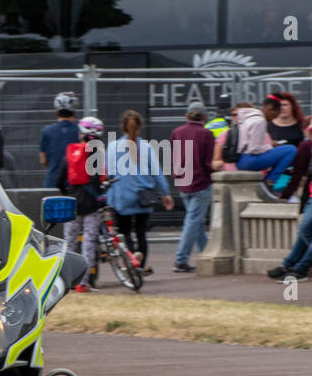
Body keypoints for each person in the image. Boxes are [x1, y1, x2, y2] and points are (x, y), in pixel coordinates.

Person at [267, 112, 312, 282]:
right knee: (306, 230)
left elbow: (300, 173)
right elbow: (308, 172)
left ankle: (301, 269)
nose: (311, 135)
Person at [105, 110, 174, 275]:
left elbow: (107, 174)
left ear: (122, 127)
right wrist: (165, 194)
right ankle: (141, 266)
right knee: (141, 233)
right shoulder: (147, 147)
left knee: (125, 231)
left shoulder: (113, 147)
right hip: (144, 197)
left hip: (122, 196)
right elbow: (157, 172)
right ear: (140, 127)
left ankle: (131, 263)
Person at [53, 116, 106, 292]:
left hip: (73, 203)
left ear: (81, 134)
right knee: (89, 243)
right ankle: (83, 283)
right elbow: (99, 180)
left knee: (69, 243)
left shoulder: (71, 153)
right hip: (92, 205)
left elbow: (59, 180)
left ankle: (64, 281)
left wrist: (68, 194)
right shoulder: (97, 154)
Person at [169, 101, 217, 272]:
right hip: (201, 183)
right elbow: (208, 162)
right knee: (193, 222)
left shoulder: (177, 132)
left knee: (195, 222)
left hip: (183, 182)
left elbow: (174, 157)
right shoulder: (206, 134)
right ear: (204, 117)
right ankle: (181, 259)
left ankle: (206, 253)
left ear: (186, 116)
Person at [234, 101, 296, 192]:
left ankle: (270, 180)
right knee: (290, 150)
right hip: (249, 160)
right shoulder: (259, 120)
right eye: (275, 114)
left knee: (281, 153)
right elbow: (253, 148)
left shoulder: (248, 118)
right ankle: (270, 181)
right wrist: (270, 146)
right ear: (270, 108)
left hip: (241, 160)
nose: (274, 118)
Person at [40, 92, 80, 189]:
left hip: (52, 181)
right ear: (74, 112)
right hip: (75, 183)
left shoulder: (46, 131)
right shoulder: (80, 131)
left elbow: (43, 160)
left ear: (57, 112)